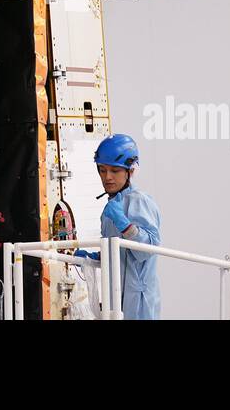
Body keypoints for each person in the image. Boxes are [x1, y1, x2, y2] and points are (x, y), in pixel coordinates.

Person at [78, 133, 162, 320]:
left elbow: (146, 251)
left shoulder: (139, 201)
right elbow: (120, 255)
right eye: (102, 170)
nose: (107, 177)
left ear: (131, 171)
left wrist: (124, 224)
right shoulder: (110, 208)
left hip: (138, 302)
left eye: (115, 171)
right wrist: (95, 258)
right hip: (116, 300)